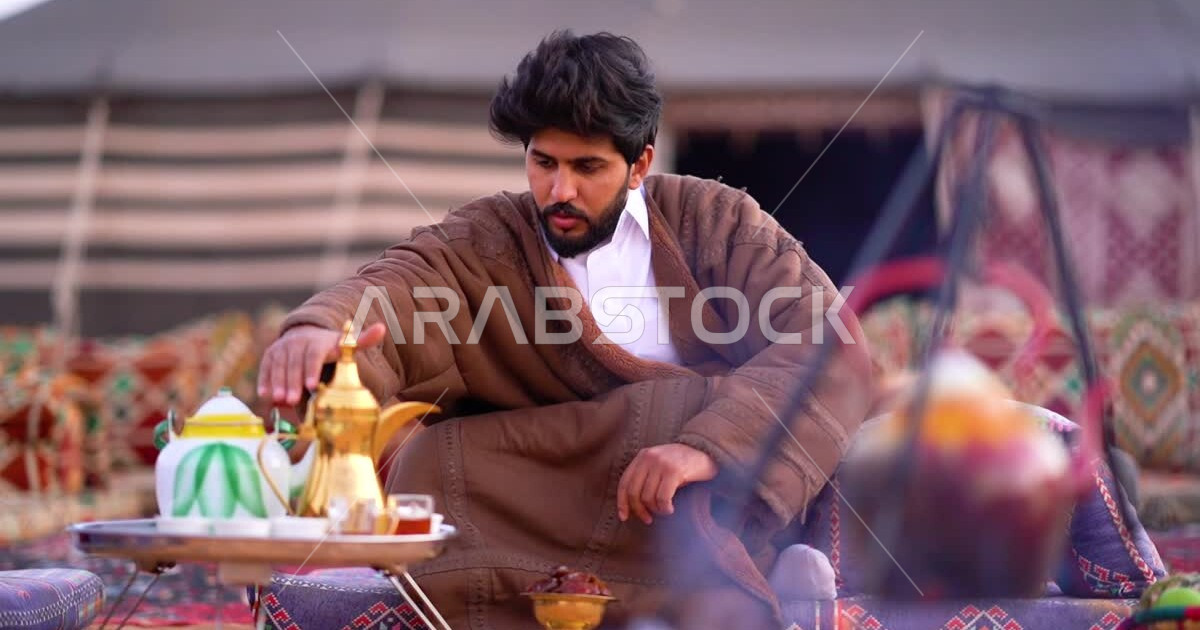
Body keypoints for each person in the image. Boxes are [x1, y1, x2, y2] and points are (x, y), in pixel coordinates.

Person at [258, 30, 873, 629]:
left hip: (688, 504)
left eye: (587, 167)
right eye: (543, 162)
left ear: (639, 164)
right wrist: (322, 332)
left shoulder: (715, 220)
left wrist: (704, 448)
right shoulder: (489, 237)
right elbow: (401, 285)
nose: (560, 190)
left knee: (689, 423)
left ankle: (745, 569)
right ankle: (751, 574)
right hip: (544, 494)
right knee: (432, 462)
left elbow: (830, 340)